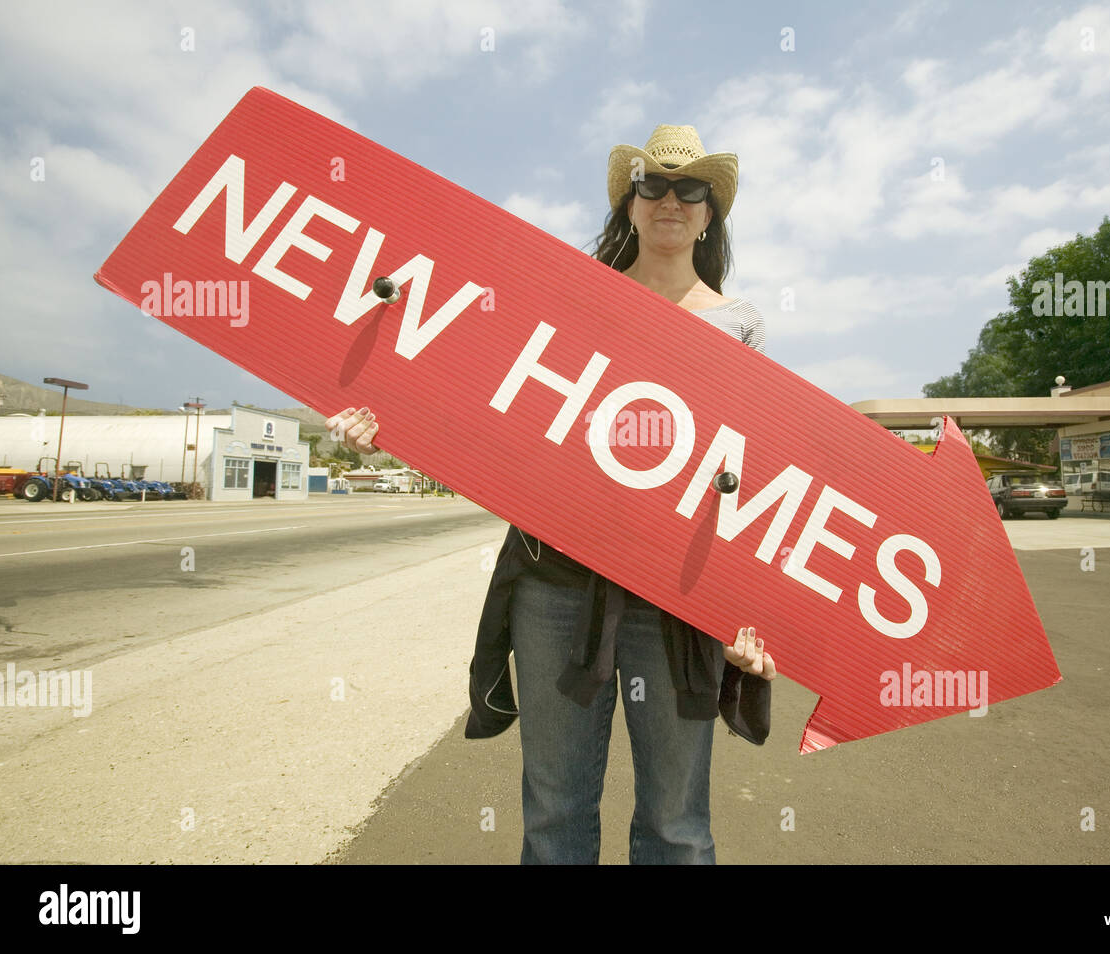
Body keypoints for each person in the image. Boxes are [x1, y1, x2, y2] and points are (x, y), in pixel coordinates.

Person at [326, 124, 775, 865]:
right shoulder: (571, 301)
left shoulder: (742, 327)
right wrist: (385, 419)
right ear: (629, 204)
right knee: (555, 816)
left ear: (709, 212)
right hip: (556, 583)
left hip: (676, 601)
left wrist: (748, 612)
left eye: (690, 189)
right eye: (653, 186)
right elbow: (483, 401)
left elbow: (750, 476)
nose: (670, 200)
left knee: (678, 826)